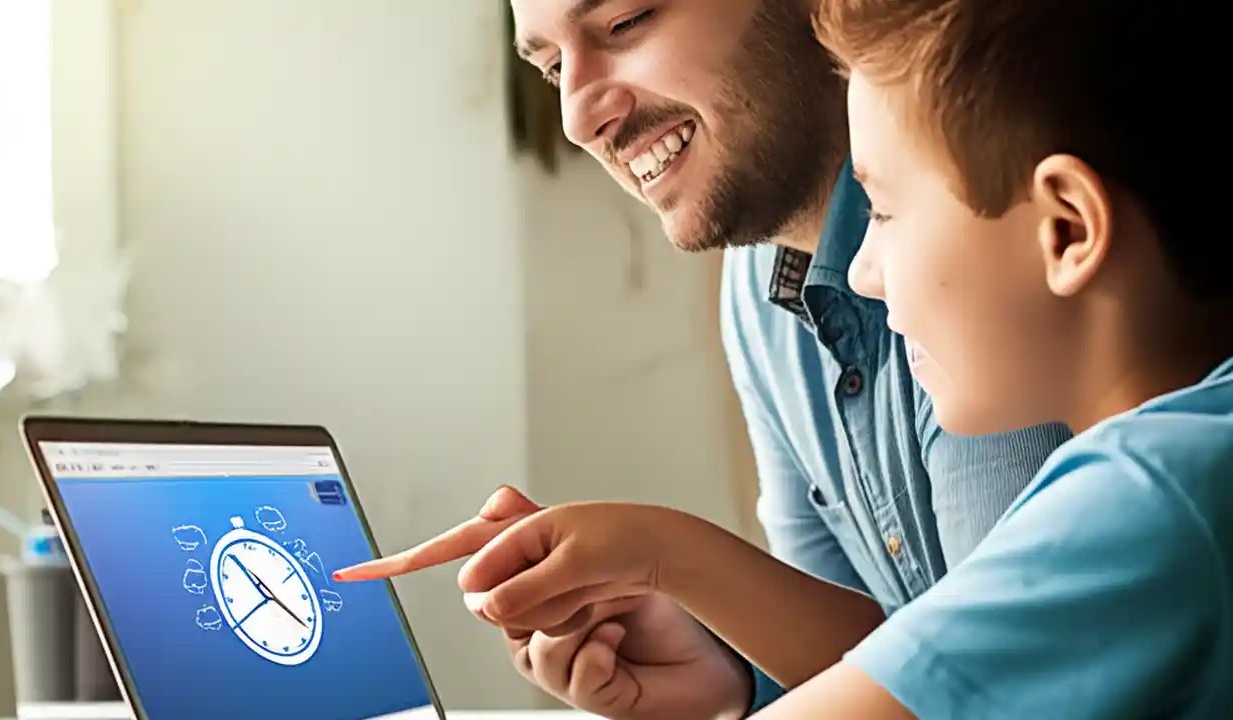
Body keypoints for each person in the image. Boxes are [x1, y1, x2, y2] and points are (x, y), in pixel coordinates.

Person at [343, 1, 1232, 717]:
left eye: (625, 23)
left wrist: (666, 550)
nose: (576, 117)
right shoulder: (767, 285)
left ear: (1067, 228)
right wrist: (710, 627)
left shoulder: (1138, 481)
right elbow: (939, 661)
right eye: (547, 67)